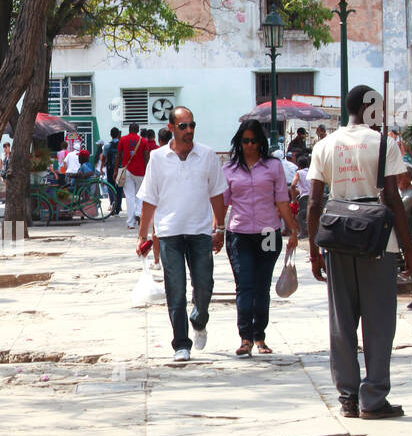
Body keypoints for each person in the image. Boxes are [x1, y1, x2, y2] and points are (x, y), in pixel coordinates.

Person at [307, 84, 412, 419]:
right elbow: (393, 199)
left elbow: (313, 203)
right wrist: (409, 249)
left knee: (342, 321)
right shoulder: (384, 144)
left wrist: (314, 250)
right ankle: (374, 398)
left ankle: (348, 397)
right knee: (379, 322)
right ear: (371, 109)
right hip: (379, 241)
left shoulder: (324, 145)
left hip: (338, 239)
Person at [137, 106, 226, 361]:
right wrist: (143, 235)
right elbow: (149, 199)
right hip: (169, 233)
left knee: (204, 285)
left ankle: (199, 319)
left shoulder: (207, 155)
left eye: (192, 125)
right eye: (183, 126)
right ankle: (181, 344)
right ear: (172, 128)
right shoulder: (157, 158)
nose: (189, 130)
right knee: (175, 289)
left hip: (200, 232)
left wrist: (219, 228)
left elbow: (217, 194)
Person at [222, 120, 299, 356]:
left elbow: (282, 201)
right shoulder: (229, 169)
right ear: (239, 142)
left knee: (262, 286)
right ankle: (245, 337)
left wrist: (293, 229)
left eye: (254, 140)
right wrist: (213, 229)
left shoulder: (273, 167)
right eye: (245, 141)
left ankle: (260, 337)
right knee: (244, 285)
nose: (250, 145)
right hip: (239, 233)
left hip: (268, 232)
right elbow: (221, 203)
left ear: (261, 142)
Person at [117, 123, 152, 229]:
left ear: (129, 129)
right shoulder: (143, 141)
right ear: (138, 130)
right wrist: (147, 170)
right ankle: (138, 213)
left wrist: (115, 170)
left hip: (127, 171)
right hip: (141, 171)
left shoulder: (123, 139)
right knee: (140, 195)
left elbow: (118, 155)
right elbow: (146, 156)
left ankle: (130, 223)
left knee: (129, 196)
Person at [99, 128, 123, 216]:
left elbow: (103, 159)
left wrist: (101, 168)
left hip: (110, 169)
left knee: (111, 187)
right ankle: (118, 210)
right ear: (118, 135)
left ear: (110, 135)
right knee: (119, 189)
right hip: (120, 169)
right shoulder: (122, 144)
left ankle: (112, 203)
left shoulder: (107, 146)